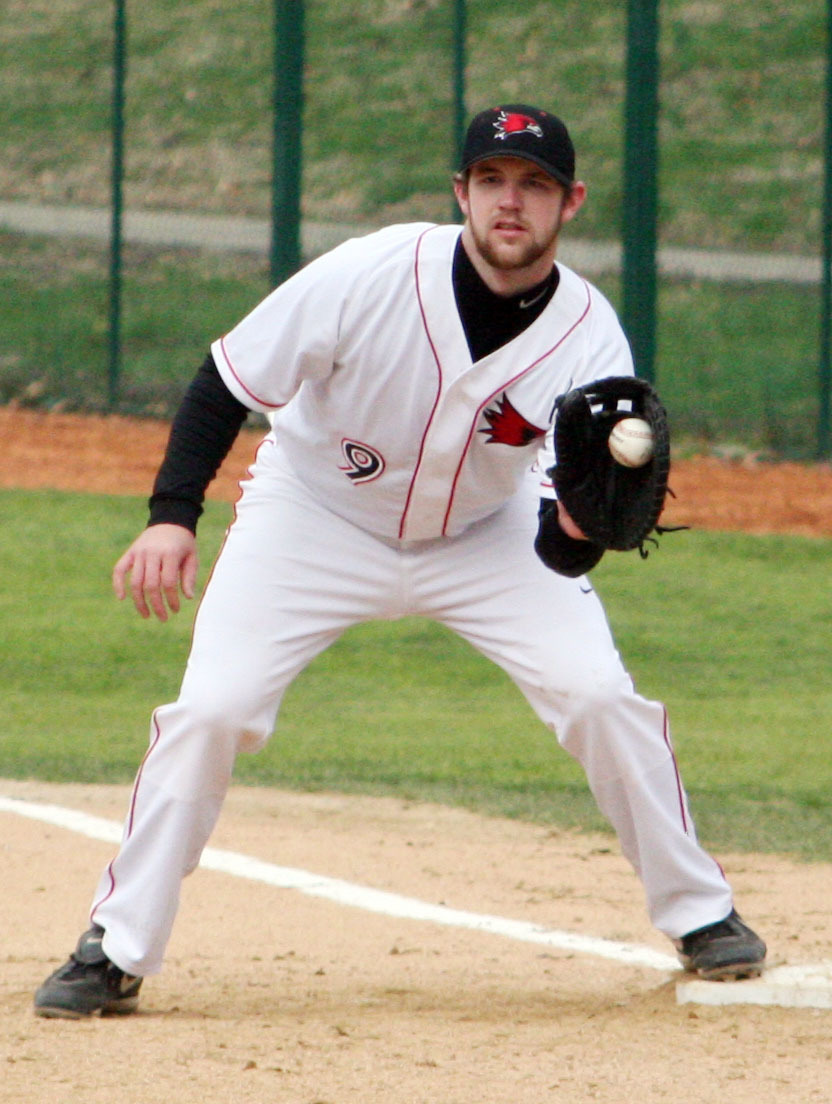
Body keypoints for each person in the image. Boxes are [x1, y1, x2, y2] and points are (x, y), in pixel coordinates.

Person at [34, 103, 765, 1019]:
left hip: (487, 532)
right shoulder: (371, 273)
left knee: (597, 695)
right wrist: (171, 518)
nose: (511, 201)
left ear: (571, 202)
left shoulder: (589, 336)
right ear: (461, 191)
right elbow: (227, 378)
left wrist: (581, 530)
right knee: (213, 708)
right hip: (312, 517)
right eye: (492, 180)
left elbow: (557, 541)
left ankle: (702, 914)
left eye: (534, 184)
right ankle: (116, 948)